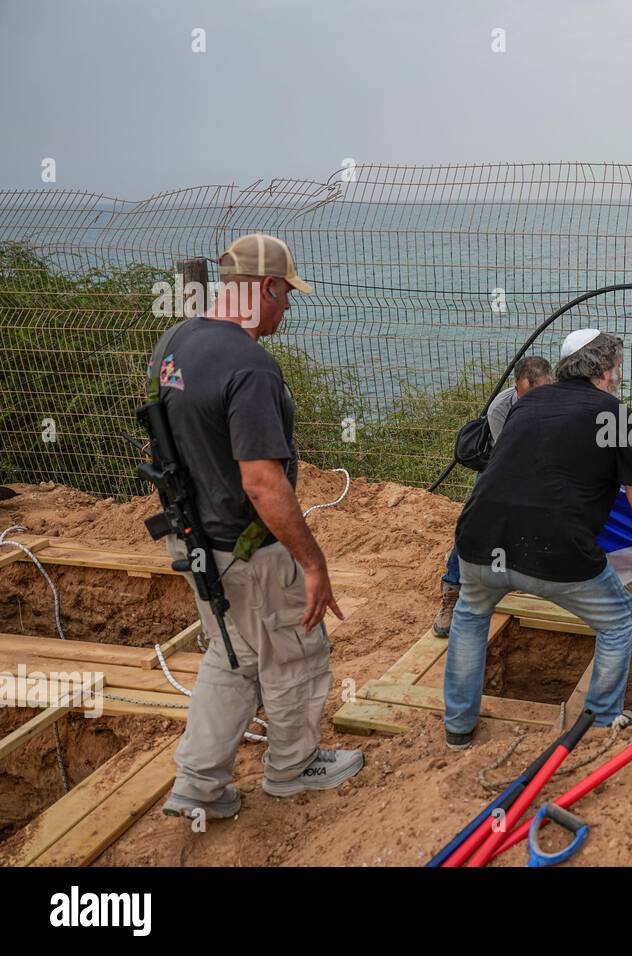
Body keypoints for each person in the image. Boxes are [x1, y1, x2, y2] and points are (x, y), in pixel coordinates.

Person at [153, 234, 361, 821]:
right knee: (294, 650)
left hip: (195, 540)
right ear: (266, 288)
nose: (288, 307)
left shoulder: (176, 341)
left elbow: (161, 442)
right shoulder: (251, 367)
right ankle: (294, 766)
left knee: (232, 653)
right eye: (286, 294)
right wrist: (313, 564)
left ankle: (198, 783)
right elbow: (263, 482)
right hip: (249, 549)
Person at [443, 329, 632, 749]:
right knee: (620, 616)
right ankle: (601, 722)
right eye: (619, 365)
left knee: (471, 615)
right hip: (555, 550)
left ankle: (458, 728)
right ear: (605, 370)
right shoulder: (618, 417)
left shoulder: (527, 402)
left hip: (477, 540)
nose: (621, 373)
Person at [433, 356, 553, 636]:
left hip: (545, 468)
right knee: (476, 520)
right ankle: (452, 590)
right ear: (516, 388)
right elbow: (508, 457)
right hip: (504, 468)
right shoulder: (501, 406)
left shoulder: (558, 398)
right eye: (527, 397)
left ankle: (620, 579)